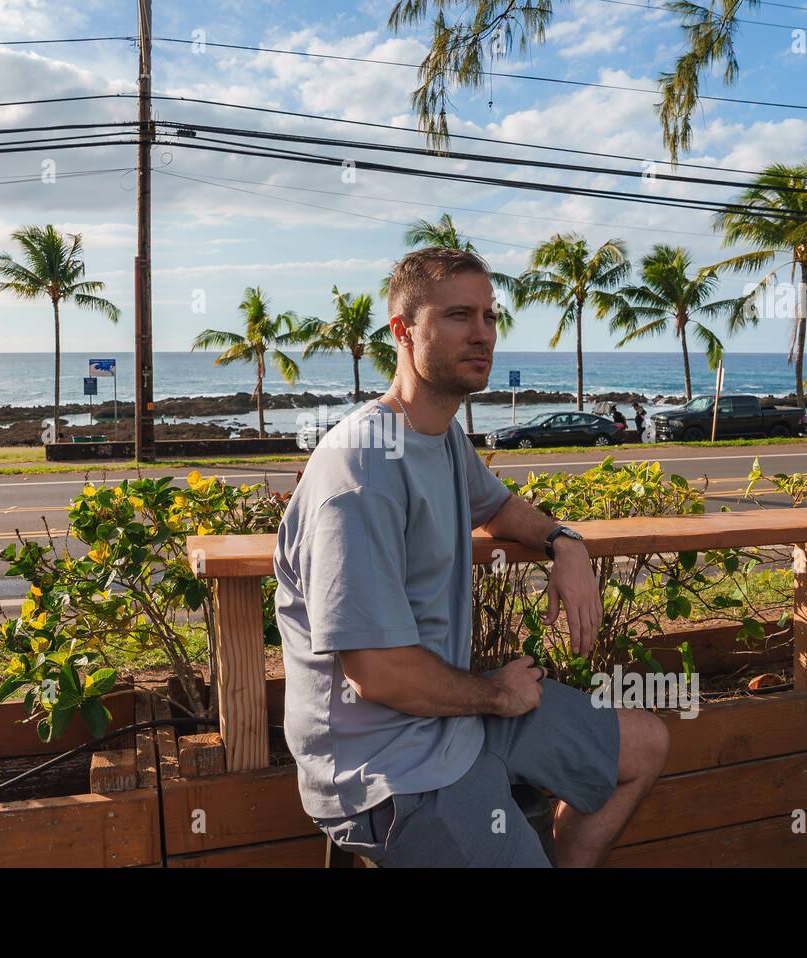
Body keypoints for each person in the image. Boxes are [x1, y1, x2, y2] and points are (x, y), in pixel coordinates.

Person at [273, 247, 670, 868]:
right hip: (387, 763)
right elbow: (376, 672)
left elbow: (500, 507)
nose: (482, 333)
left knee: (644, 746)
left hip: (459, 712)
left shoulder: (442, 437)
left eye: (489, 316)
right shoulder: (361, 469)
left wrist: (563, 542)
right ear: (402, 332)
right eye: (459, 315)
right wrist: (495, 695)